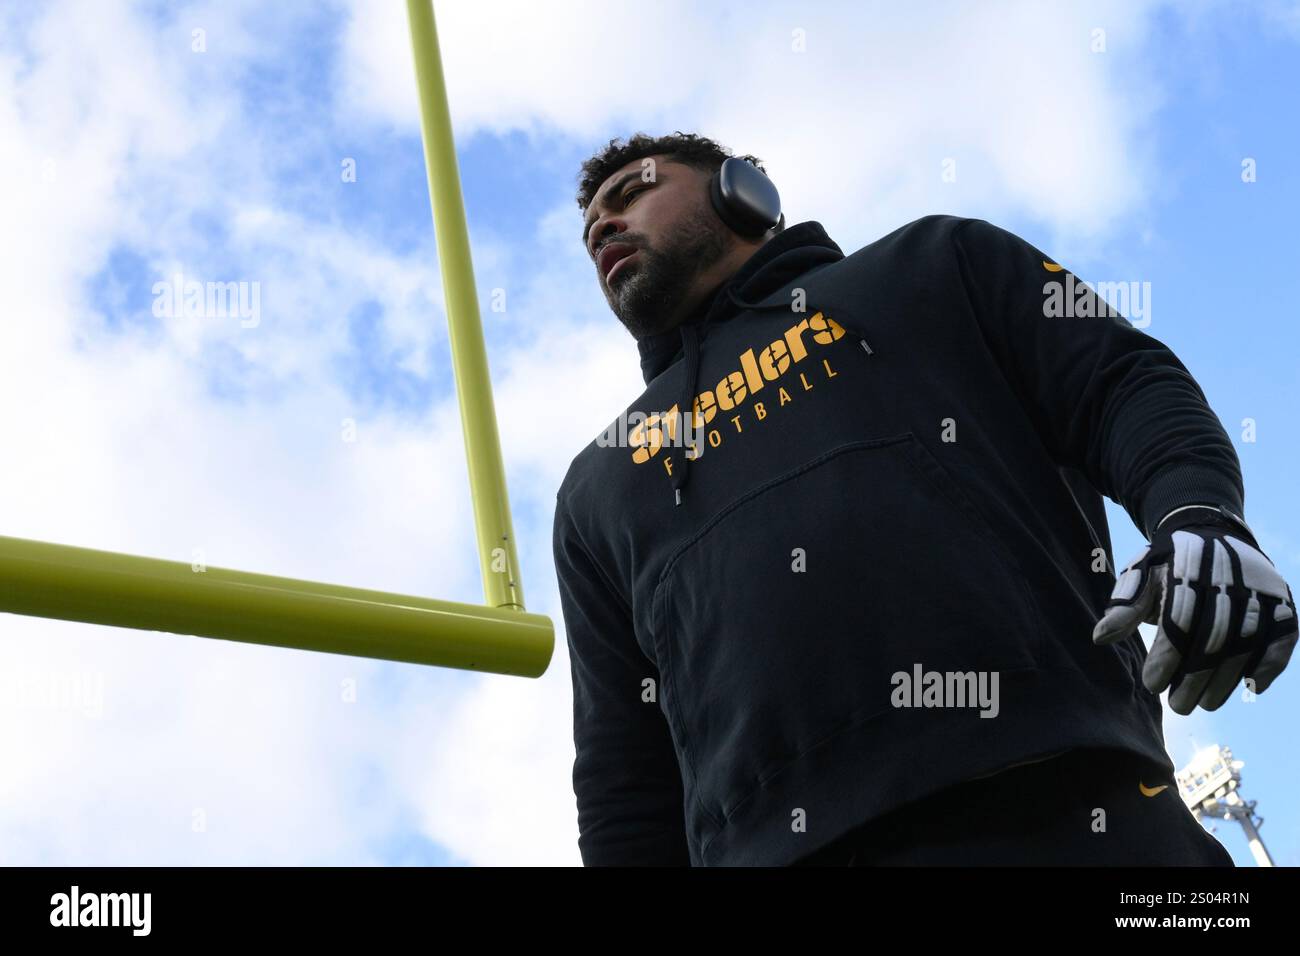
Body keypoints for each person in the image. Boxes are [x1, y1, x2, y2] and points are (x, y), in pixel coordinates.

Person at [552, 131, 1296, 866]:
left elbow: (1120, 386)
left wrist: (1200, 515)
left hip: (1077, 805)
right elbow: (623, 781)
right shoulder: (597, 487)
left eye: (633, 192)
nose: (605, 229)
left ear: (742, 192)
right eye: (589, 234)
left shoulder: (935, 263)